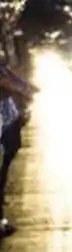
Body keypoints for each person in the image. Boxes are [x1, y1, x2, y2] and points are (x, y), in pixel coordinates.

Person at [0, 60, 34, 237]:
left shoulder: (3, 68)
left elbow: (18, 83)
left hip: (8, 124)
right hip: (3, 126)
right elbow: (10, 83)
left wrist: (24, 88)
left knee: (3, 174)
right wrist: (20, 89)